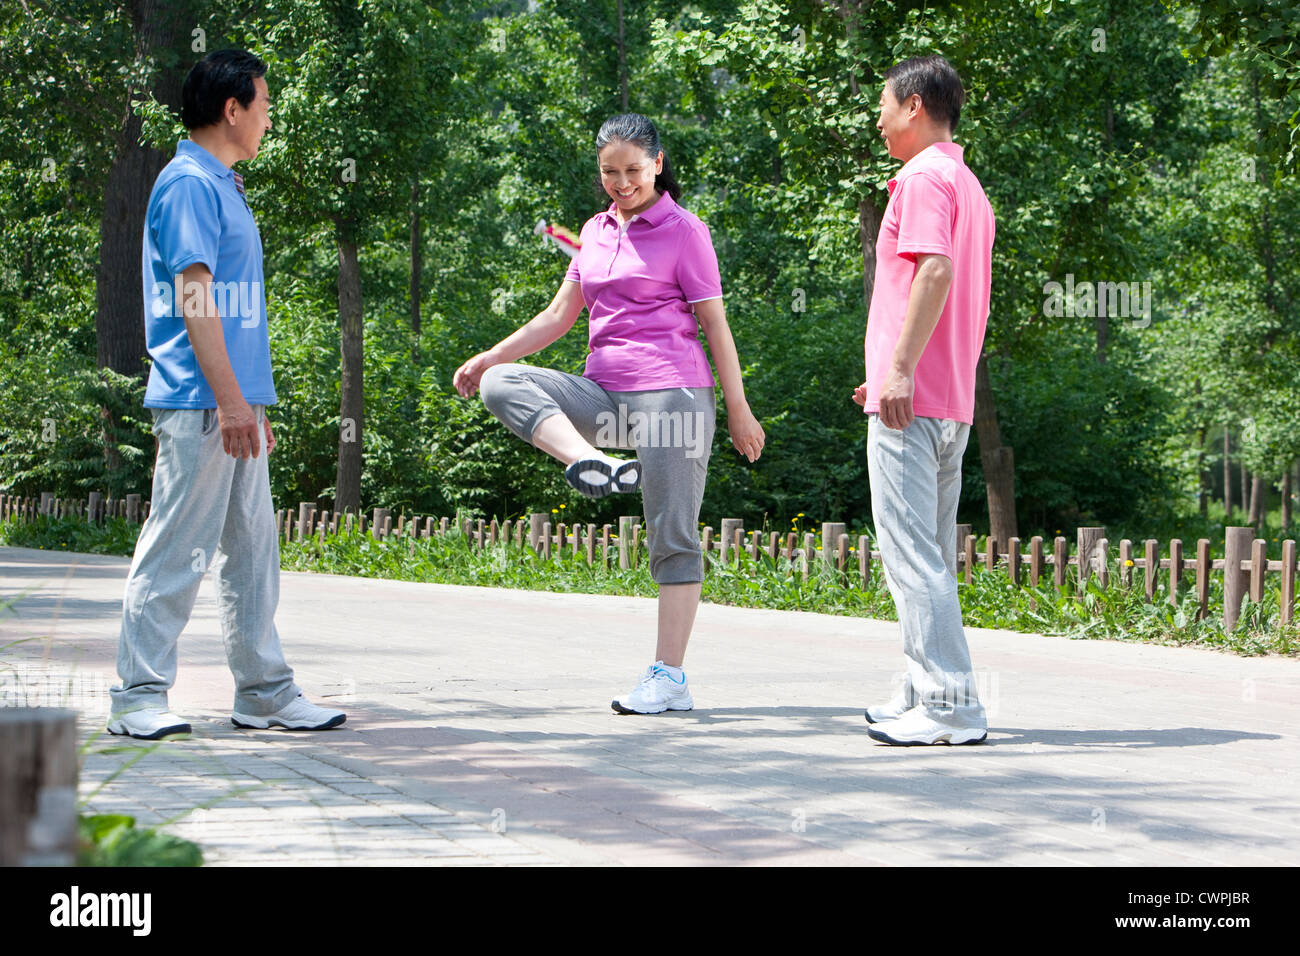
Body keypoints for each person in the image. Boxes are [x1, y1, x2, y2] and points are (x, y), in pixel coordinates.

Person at [454, 113, 764, 714]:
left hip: (674, 397)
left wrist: (738, 410)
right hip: (607, 400)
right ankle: (591, 460)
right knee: (501, 385)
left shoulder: (684, 230)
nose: (621, 183)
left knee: (672, 535)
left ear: (657, 163)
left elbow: (715, 325)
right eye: (608, 172)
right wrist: (489, 356)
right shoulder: (594, 231)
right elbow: (557, 317)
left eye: (632, 171)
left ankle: (668, 678)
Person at [107, 49, 345, 739]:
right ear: (232, 109)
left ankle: (265, 693)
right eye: (264, 105)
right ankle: (138, 698)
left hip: (239, 399)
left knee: (250, 552)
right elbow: (193, 297)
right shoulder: (188, 183)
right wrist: (230, 402)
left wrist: (246, 401)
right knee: (178, 548)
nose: (270, 119)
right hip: (201, 400)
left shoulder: (223, 183)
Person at [852, 55, 995, 746]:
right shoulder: (968, 184)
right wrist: (889, 367)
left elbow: (933, 271)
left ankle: (950, 708)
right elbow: (947, 293)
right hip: (948, 402)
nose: (877, 120)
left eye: (883, 105)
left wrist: (900, 371)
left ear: (914, 106)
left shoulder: (923, 177)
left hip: (913, 404)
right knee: (930, 554)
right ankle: (919, 691)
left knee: (911, 557)